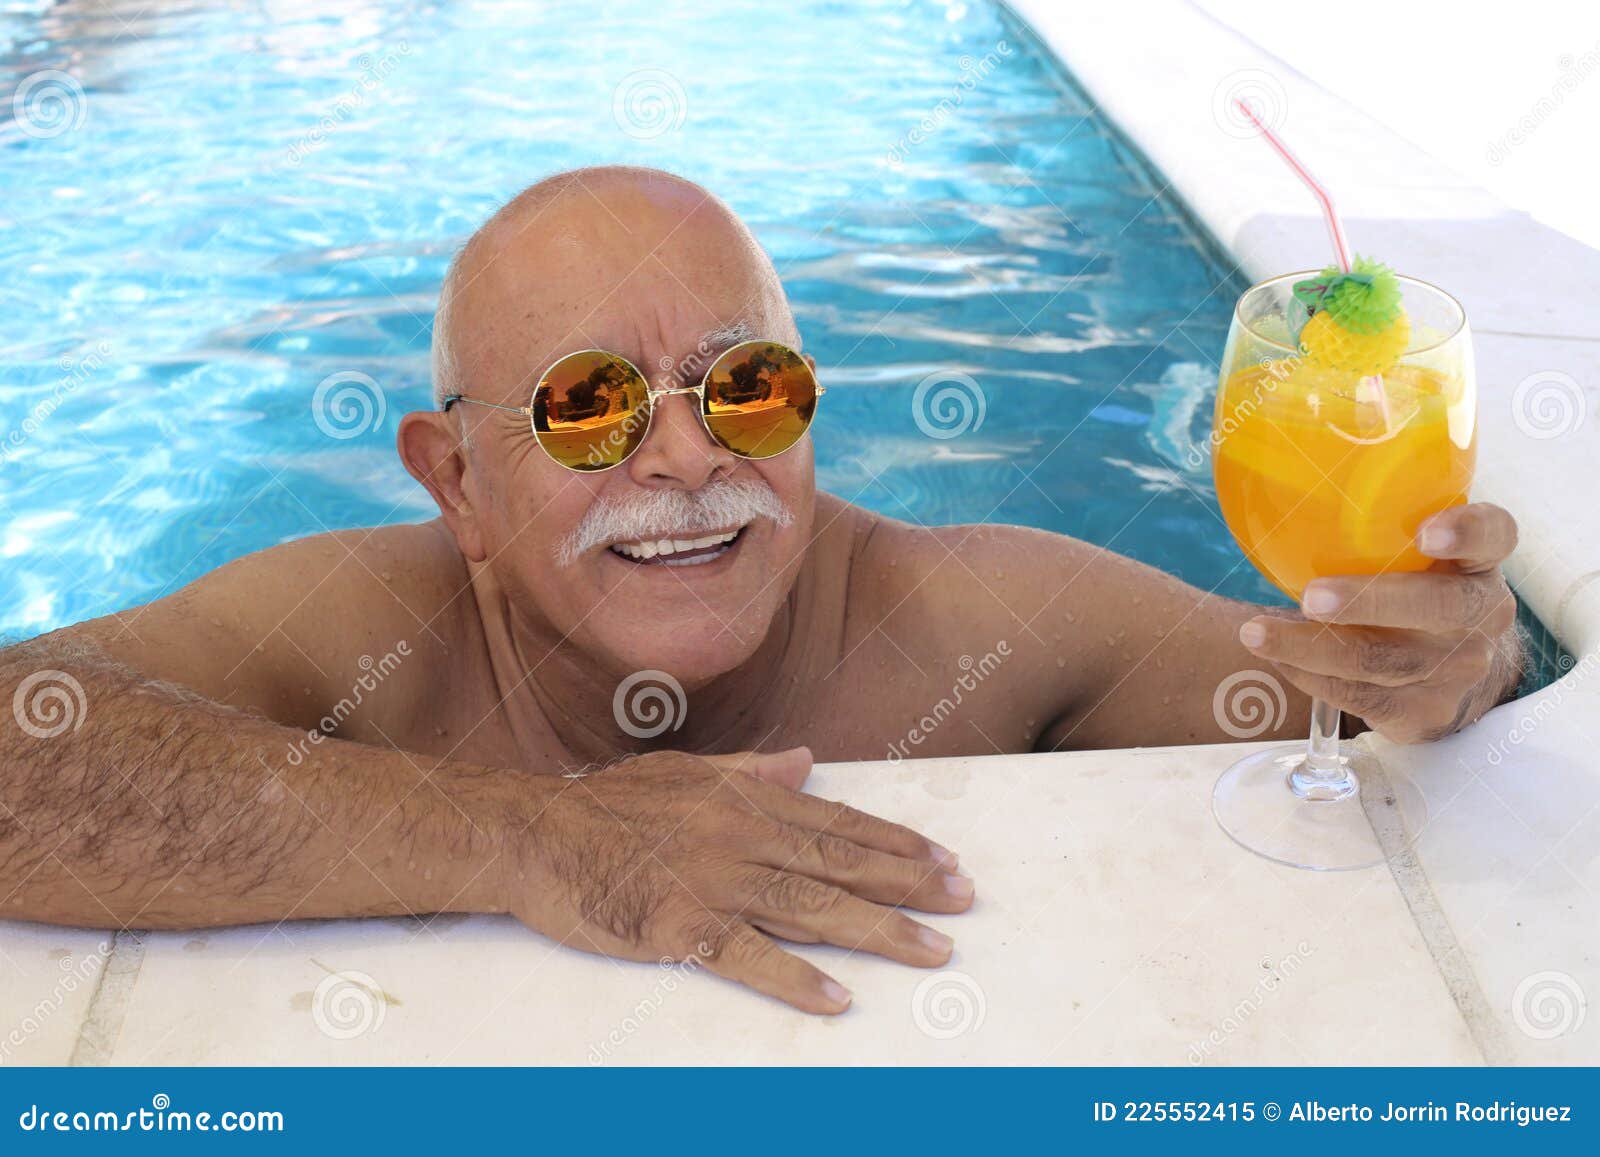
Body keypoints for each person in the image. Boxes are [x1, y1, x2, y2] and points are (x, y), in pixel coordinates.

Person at [0, 167, 1523, 1014]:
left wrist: (1451, 666)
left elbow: (1355, 704)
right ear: (457, 483)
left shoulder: (977, 623)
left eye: (745, 384)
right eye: (588, 407)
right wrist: (534, 840)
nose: (682, 456)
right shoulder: (367, 637)